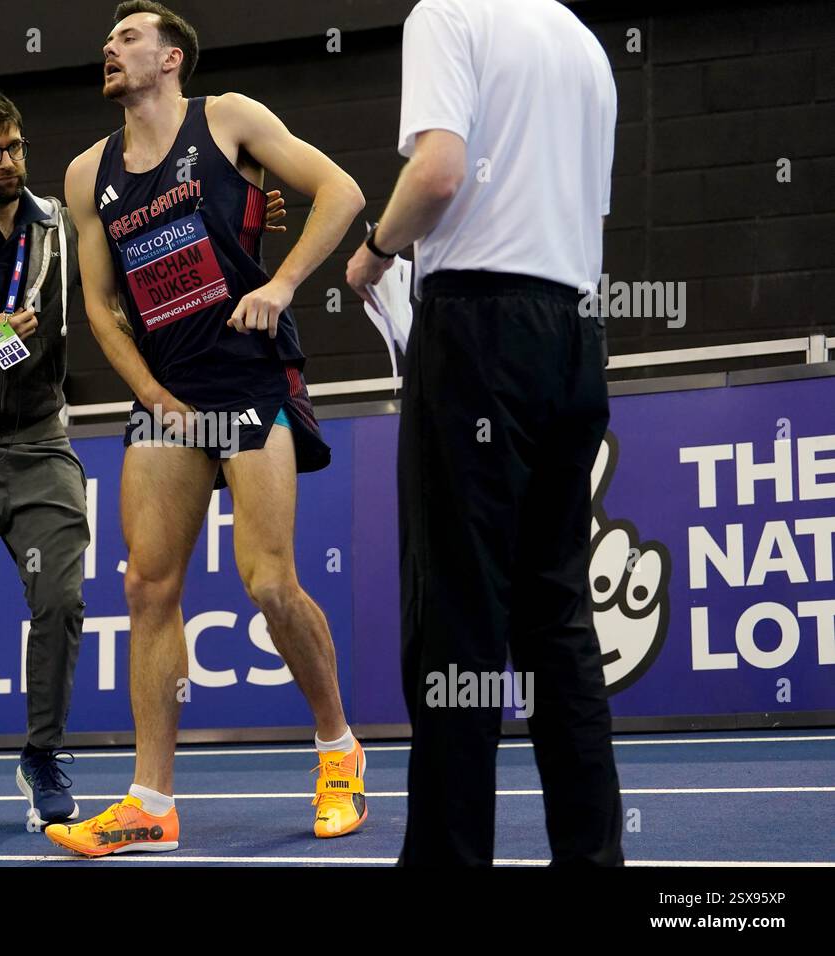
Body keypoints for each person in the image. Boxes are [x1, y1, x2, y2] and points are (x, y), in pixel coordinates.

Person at [0, 88, 286, 857]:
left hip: (39, 446)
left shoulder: (60, 226)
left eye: (16, 145)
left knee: (61, 602)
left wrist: (239, 217)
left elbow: (152, 252)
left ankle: (42, 757)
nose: (9, 161)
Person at [47, 0, 367, 858]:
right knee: (147, 589)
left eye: (128, 37)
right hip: (169, 396)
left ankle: (338, 751)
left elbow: (342, 191)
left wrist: (282, 284)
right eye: (109, 38)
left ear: (171, 58)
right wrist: (150, 392)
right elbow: (100, 306)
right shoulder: (86, 174)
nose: (109, 47)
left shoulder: (228, 119)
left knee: (268, 582)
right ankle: (150, 803)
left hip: (249, 377)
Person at [345, 0, 624, 865]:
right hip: (574, 329)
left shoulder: (448, 14)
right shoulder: (585, 44)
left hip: (479, 329)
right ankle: (592, 858)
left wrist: (377, 249)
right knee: (557, 619)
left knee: (457, 622)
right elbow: (587, 210)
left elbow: (437, 173)